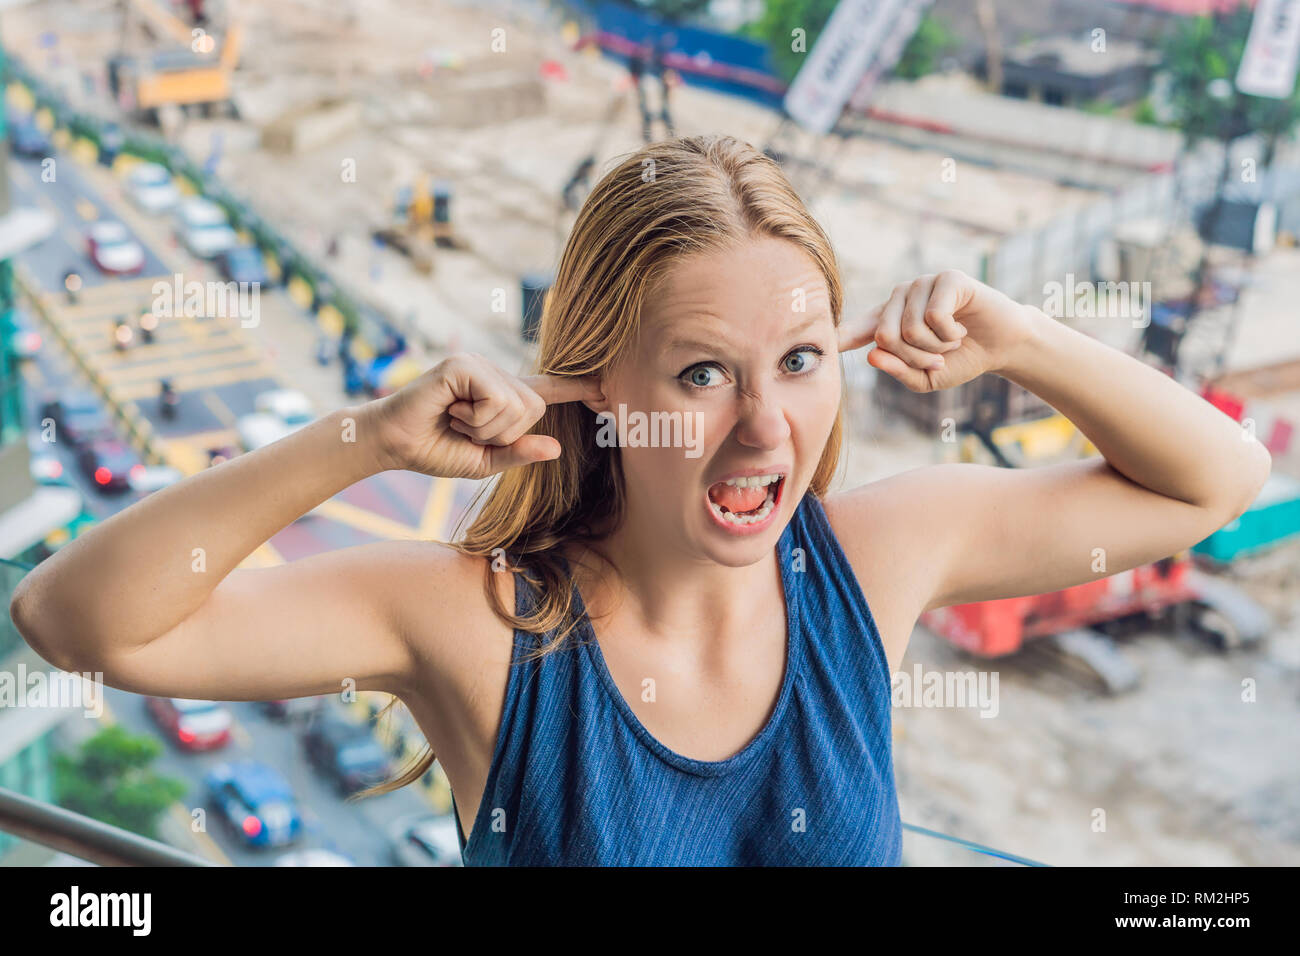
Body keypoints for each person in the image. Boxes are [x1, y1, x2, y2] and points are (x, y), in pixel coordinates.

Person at [9, 136, 1270, 866]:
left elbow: (1217, 482)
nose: (765, 429)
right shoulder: (480, 623)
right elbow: (81, 621)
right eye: (704, 372)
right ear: (597, 384)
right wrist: (364, 438)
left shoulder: (874, 555)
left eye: (799, 361)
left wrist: (1020, 334)